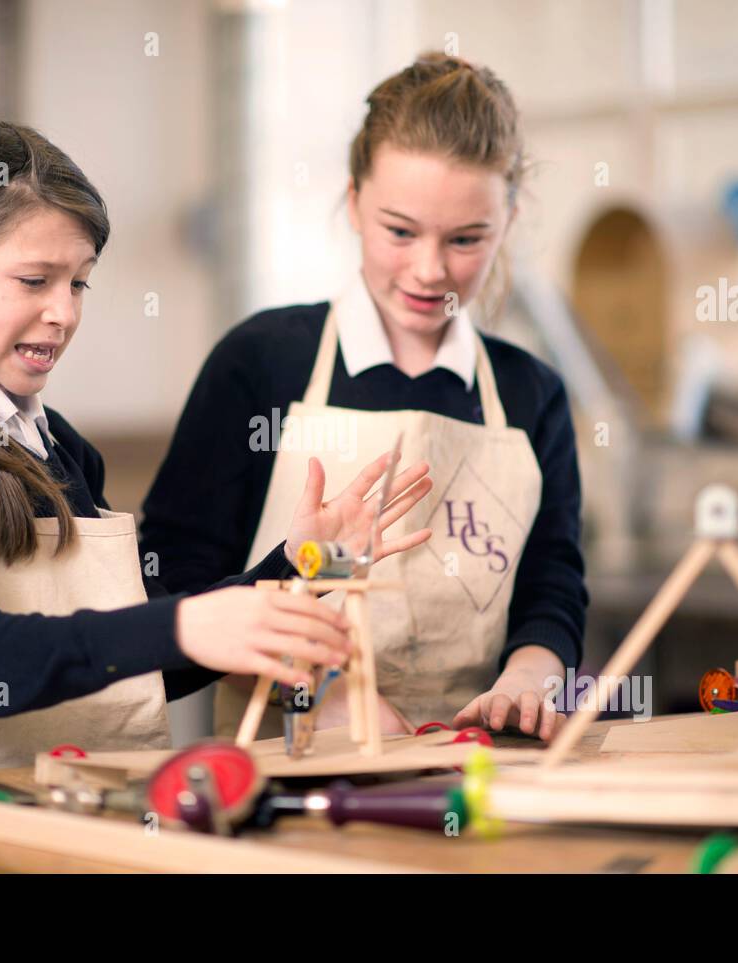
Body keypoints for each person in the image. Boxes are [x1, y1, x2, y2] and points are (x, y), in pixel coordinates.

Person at [0, 116, 431, 775]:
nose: (65, 312)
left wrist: (296, 565)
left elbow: (131, 670)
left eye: (78, 282)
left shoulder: (62, 449)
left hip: (79, 803)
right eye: (35, 280)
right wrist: (179, 625)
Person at [141, 54, 587, 741]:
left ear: (509, 220)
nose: (429, 268)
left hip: (471, 766)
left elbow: (551, 589)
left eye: (466, 239)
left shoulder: (535, 395)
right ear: (353, 201)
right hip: (279, 767)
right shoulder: (260, 362)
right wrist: (328, 690)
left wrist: (529, 679)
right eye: (400, 230)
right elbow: (176, 582)